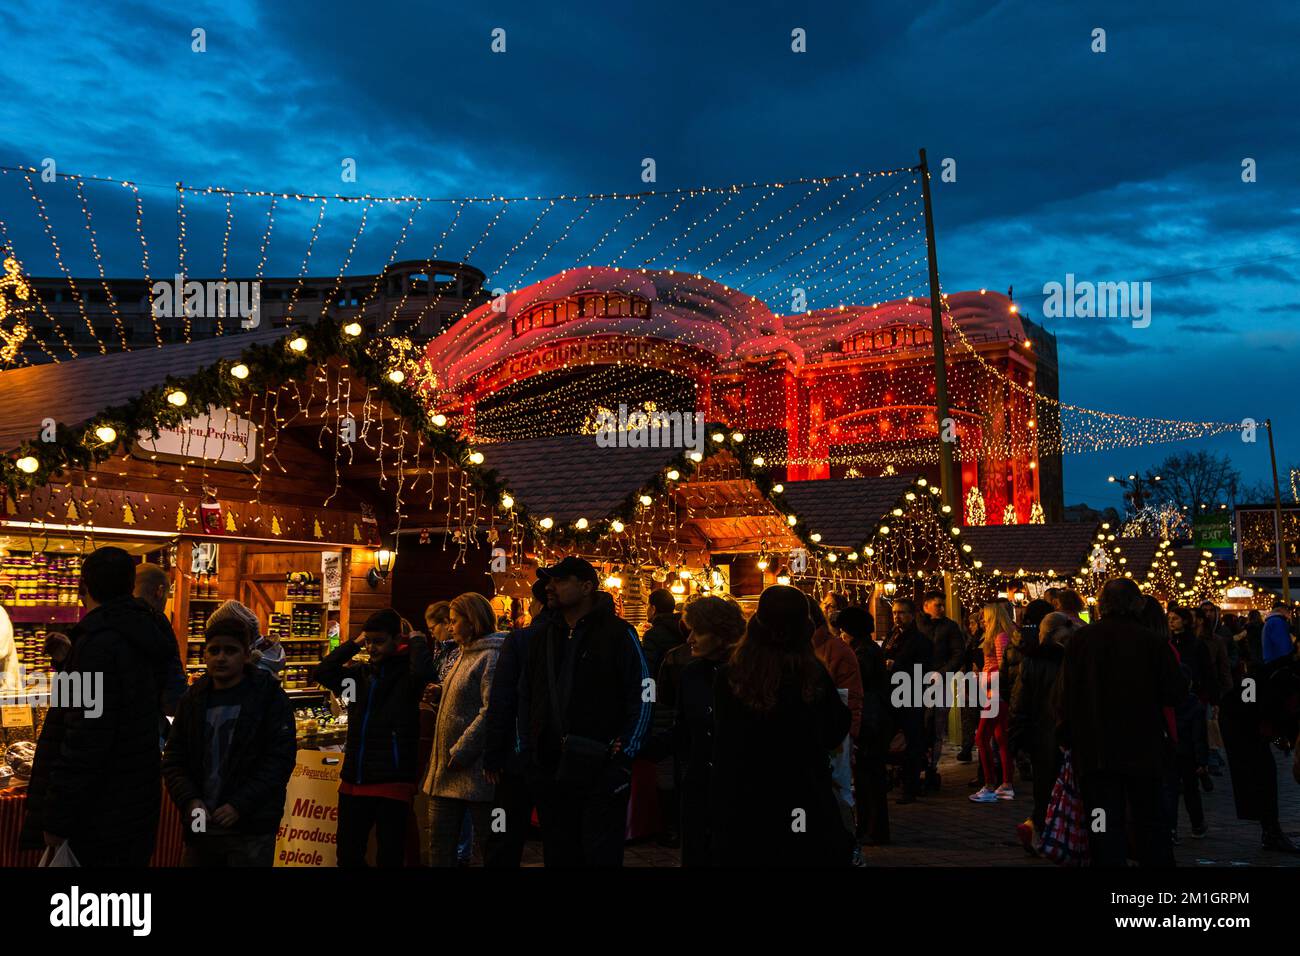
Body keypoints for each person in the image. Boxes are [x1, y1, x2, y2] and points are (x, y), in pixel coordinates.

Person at [20, 547, 178, 866]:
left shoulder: (97, 643)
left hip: (97, 812)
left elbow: (85, 737)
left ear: (84, 587)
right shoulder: (153, 633)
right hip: (136, 802)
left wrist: (57, 819)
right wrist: (69, 662)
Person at [520, 556, 652, 867]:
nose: (549, 587)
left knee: (599, 855)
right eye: (549, 581)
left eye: (560, 580)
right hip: (550, 767)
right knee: (559, 854)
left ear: (587, 586)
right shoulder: (543, 635)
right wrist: (527, 749)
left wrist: (626, 753)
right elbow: (525, 694)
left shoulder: (619, 634)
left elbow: (644, 691)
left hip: (600, 766)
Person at [710, 585, 852, 866]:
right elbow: (834, 728)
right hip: (801, 793)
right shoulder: (811, 675)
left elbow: (723, 737)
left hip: (746, 798)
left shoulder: (730, 676)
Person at [1056, 579, 1184, 866]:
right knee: (1149, 818)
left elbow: (1065, 695)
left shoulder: (1081, 641)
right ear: (1136, 604)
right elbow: (1175, 692)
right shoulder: (1151, 641)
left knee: (1102, 820)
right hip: (1143, 746)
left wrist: (1066, 736)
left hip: (1096, 749)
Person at [162, 601, 296, 866]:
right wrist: (190, 801)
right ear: (205, 655)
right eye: (214, 650)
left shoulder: (269, 698)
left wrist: (239, 805)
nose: (221, 657)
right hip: (201, 826)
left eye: (230, 651)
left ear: (246, 655)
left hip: (250, 829)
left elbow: (278, 761)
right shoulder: (193, 699)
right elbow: (175, 758)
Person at [314, 608, 435, 867]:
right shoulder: (360, 676)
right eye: (368, 642)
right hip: (354, 779)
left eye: (378, 641)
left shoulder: (407, 677)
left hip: (392, 781)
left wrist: (416, 639)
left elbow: (424, 673)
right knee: (347, 854)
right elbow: (323, 671)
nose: (372, 648)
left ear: (396, 639)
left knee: (389, 855)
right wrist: (354, 642)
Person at [424, 592, 505, 866]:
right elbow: (465, 698)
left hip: (474, 770)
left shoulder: (490, 657)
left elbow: (490, 709)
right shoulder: (462, 654)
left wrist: (461, 750)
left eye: (455, 621)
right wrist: (441, 692)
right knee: (439, 844)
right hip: (445, 770)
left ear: (472, 622)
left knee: (490, 843)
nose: (450, 627)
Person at [670, 595, 745, 866]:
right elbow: (681, 727)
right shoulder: (690, 673)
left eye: (698, 632)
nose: (690, 639)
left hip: (738, 786)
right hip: (698, 784)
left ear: (722, 634)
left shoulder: (746, 673)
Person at [482, 579, 552, 867]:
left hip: (518, 756)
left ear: (538, 604)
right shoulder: (579, 637)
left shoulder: (522, 640)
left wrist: (493, 754)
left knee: (504, 830)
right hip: (559, 754)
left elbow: (502, 699)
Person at [1010, 610, 1078, 851]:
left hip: (1043, 735)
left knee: (1044, 788)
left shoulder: (1032, 661)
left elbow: (1020, 702)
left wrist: (1016, 738)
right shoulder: (1073, 658)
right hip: (1067, 734)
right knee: (1069, 790)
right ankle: (1051, 831)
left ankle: (1038, 827)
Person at [838, 606, 890, 846]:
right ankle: (870, 826)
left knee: (868, 777)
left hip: (870, 720)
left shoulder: (862, 654)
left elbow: (860, 685)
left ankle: (873, 828)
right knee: (868, 777)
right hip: (875, 718)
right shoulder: (869, 649)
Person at [882, 597, 933, 803]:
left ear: (912, 615)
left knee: (913, 742)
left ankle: (910, 787)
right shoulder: (891, 636)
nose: (897, 617)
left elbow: (922, 671)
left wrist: (896, 666)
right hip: (891, 695)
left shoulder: (921, 641)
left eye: (901, 613)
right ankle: (893, 779)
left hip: (910, 695)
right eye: (894, 613)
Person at [1167, 606, 1210, 839]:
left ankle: (1173, 827)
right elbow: (1198, 734)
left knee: (1173, 787)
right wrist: (1201, 758)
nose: (1171, 622)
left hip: (1174, 747)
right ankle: (1196, 823)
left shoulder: (1196, 645)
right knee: (1187, 787)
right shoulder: (1168, 644)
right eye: (1169, 619)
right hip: (1187, 751)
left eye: (1175, 619)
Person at [970, 601, 1018, 804]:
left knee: (982, 737)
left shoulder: (999, 637)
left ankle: (990, 784)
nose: (982, 620)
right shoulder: (999, 636)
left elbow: (1001, 669)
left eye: (984, 616)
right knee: (1001, 739)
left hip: (996, 695)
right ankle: (1006, 784)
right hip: (995, 694)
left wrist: (981, 678)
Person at [919, 590, 964, 789]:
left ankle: (931, 767)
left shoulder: (950, 627)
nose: (943, 608)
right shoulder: (918, 624)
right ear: (926, 605)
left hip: (940, 682)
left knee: (936, 727)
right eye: (938, 604)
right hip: (916, 683)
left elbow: (957, 654)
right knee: (920, 724)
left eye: (942, 604)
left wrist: (942, 672)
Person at [957, 610, 984, 763]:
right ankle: (966, 747)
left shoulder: (979, 642)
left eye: (973, 623)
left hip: (978, 684)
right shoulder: (971, 640)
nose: (971, 626)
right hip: (969, 682)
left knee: (975, 718)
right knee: (968, 717)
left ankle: (970, 748)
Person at [641, 588, 683, 681]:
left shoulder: (652, 635)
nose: (646, 609)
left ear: (653, 608)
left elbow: (649, 669)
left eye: (647, 606)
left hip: (661, 687)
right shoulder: (683, 628)